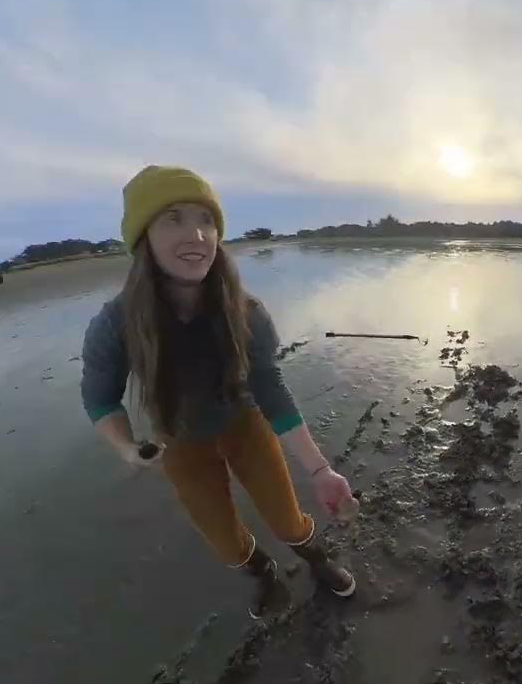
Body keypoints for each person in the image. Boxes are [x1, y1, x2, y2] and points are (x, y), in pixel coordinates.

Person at [80, 165, 358, 618]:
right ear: (143, 237)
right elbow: (100, 399)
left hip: (244, 423)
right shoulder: (114, 325)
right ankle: (263, 574)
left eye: (206, 219)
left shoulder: (247, 312)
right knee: (225, 543)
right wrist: (127, 448)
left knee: (288, 520)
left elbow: (271, 390)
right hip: (179, 439)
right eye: (173, 218)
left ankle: (316, 559)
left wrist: (320, 470)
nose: (196, 234)